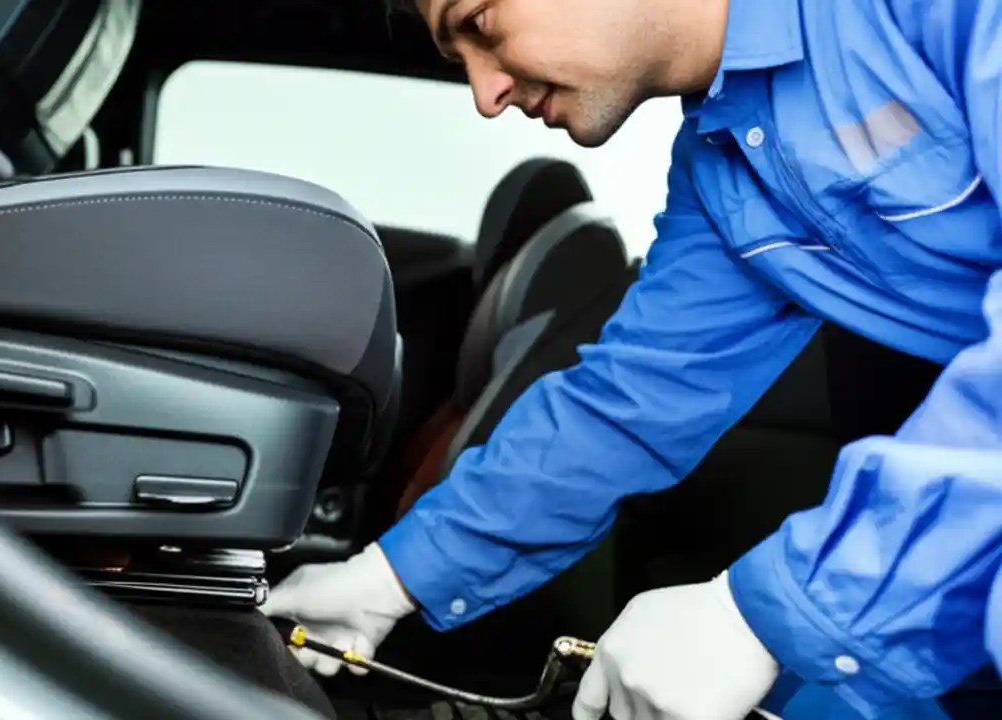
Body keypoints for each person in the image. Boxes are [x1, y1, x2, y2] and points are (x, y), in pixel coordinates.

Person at [261, 0, 1002, 718]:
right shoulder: (727, 166)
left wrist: (772, 609)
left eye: (481, 24)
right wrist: (388, 579)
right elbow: (631, 403)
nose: (485, 96)